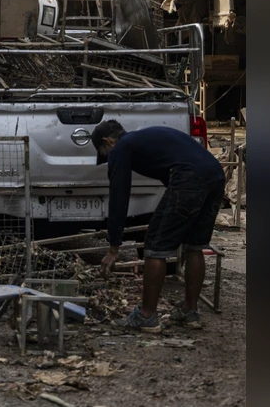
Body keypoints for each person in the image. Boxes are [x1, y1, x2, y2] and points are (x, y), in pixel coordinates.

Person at [92, 120, 226, 332]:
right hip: (215, 175)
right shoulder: (145, 139)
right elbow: (168, 174)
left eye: (105, 153)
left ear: (108, 141)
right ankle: (190, 312)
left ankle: (146, 316)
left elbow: (119, 195)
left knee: (154, 245)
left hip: (189, 177)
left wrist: (114, 246)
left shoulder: (122, 147)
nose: (109, 158)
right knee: (195, 244)